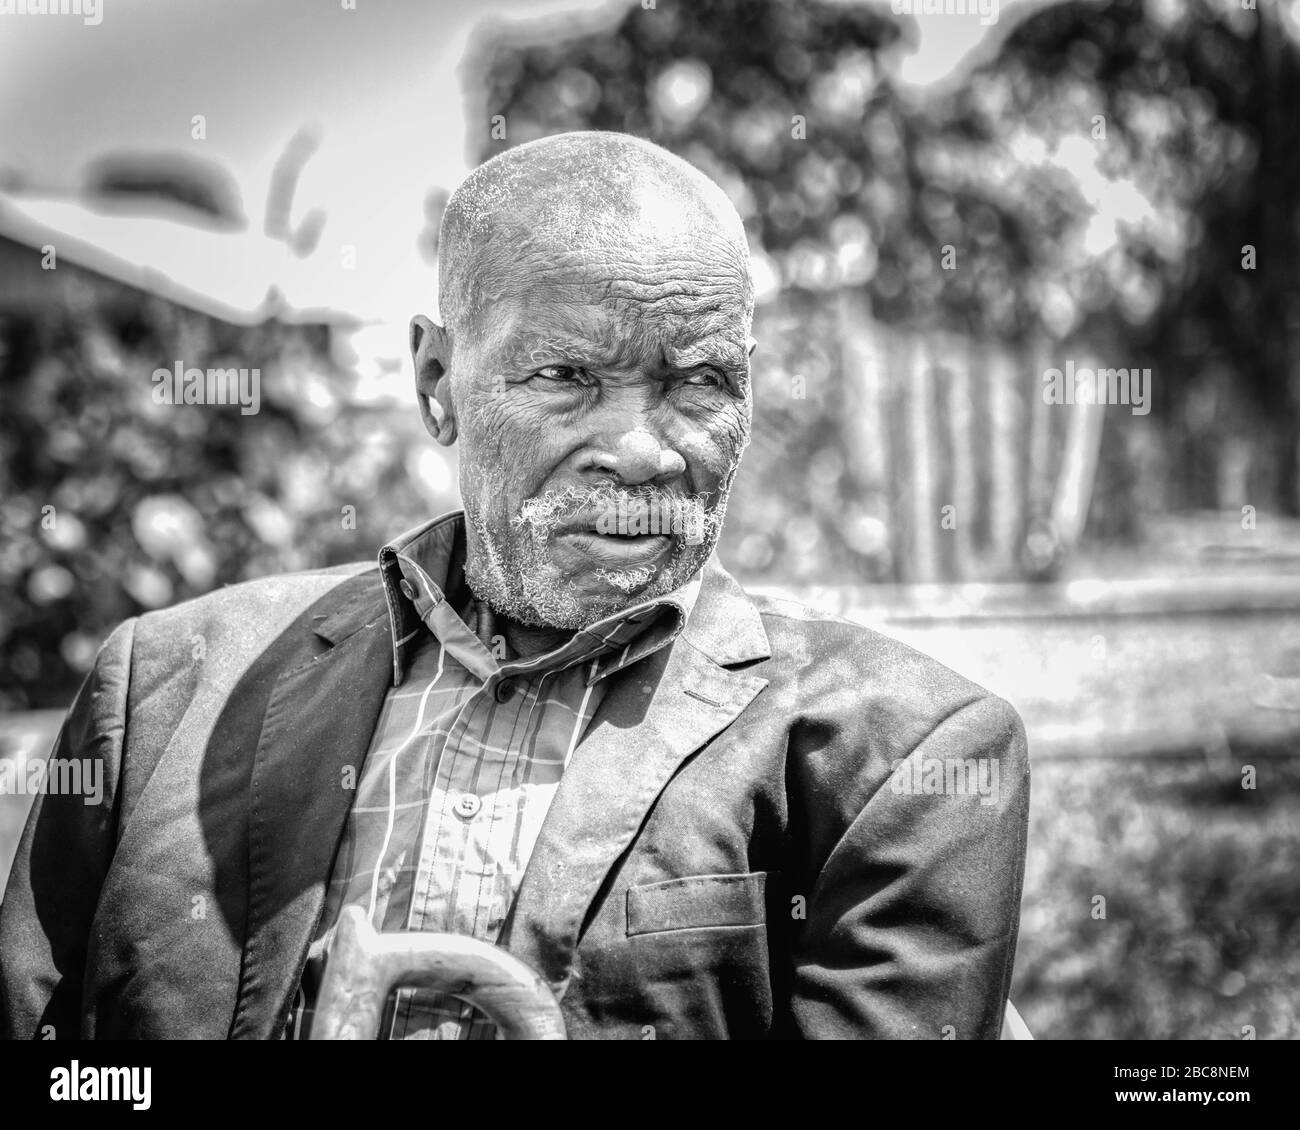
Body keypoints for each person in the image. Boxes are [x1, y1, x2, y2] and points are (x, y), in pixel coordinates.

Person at [0, 131, 1029, 1040]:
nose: (638, 450)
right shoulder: (163, 692)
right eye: (564, 377)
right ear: (436, 383)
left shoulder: (897, 755)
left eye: (698, 381)